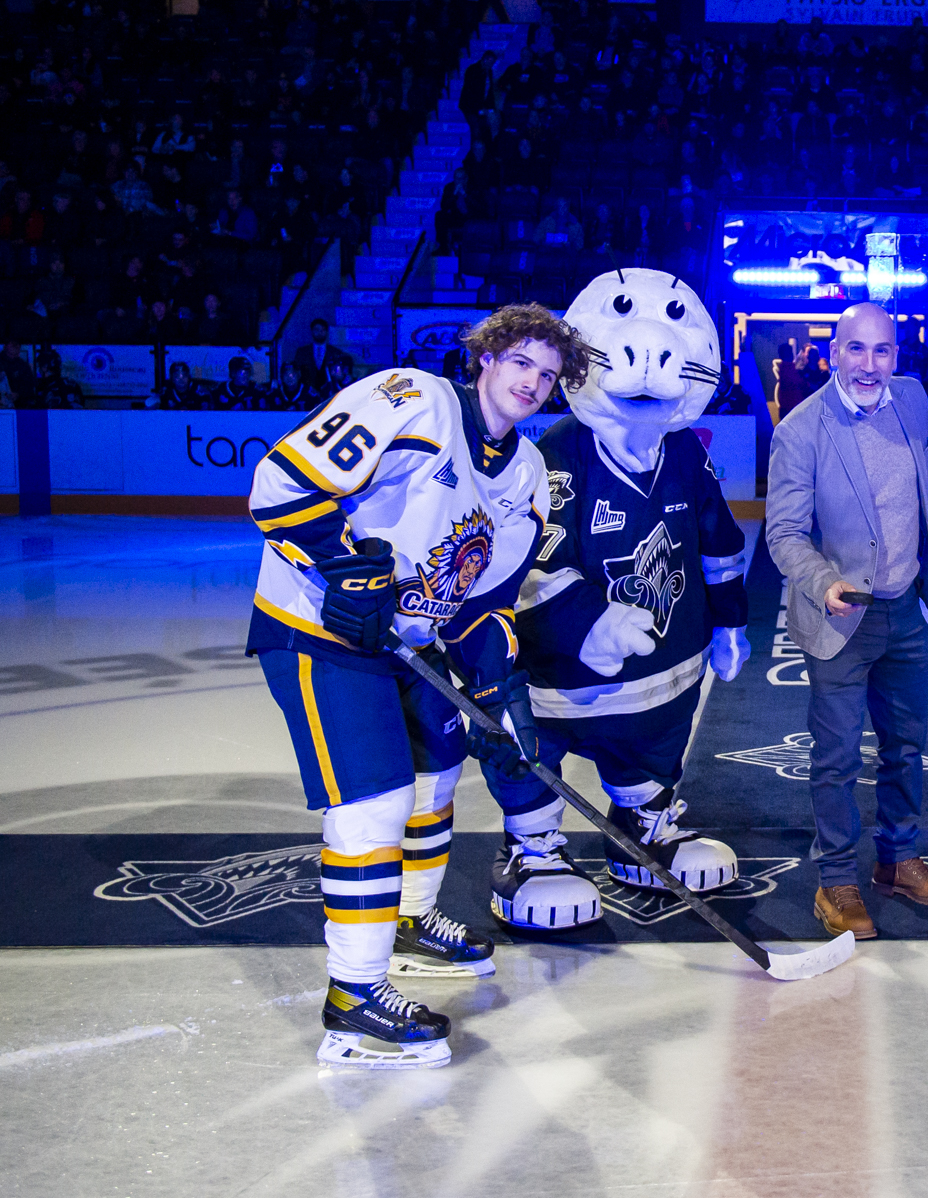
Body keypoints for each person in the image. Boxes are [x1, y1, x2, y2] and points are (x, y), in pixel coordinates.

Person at [246, 304, 582, 1068]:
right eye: (521, 362)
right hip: (318, 631)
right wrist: (343, 568)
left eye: (548, 374)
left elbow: (483, 606)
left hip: (411, 645)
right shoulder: (416, 402)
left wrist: (499, 693)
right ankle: (354, 999)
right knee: (374, 803)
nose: (532, 382)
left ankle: (407, 923)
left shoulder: (528, 474)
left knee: (437, 776)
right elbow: (281, 483)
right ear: (486, 357)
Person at [479, 270, 749, 924]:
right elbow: (537, 562)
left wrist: (730, 622)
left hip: (666, 659)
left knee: (653, 741)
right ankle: (533, 847)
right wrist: (589, 625)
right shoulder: (557, 453)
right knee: (530, 741)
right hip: (565, 672)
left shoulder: (685, 453)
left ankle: (642, 823)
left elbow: (718, 540)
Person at [765, 302, 928, 940]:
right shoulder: (801, 429)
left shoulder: (912, 399)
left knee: (906, 747)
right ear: (834, 354)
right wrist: (823, 583)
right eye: (856, 349)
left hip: (904, 609)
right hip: (842, 616)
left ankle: (898, 860)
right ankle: (836, 881)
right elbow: (783, 533)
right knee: (838, 757)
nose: (869, 365)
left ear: (895, 356)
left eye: (882, 350)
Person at [300, 319, 355, 392]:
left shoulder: (336, 352)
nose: (319, 332)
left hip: (331, 391)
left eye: (322, 330)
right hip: (306, 392)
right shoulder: (302, 352)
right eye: (316, 330)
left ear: (326, 331)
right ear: (312, 331)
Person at [774, 342, 807, 419]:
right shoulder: (789, 369)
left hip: (786, 407)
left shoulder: (783, 369)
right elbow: (798, 383)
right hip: (792, 407)